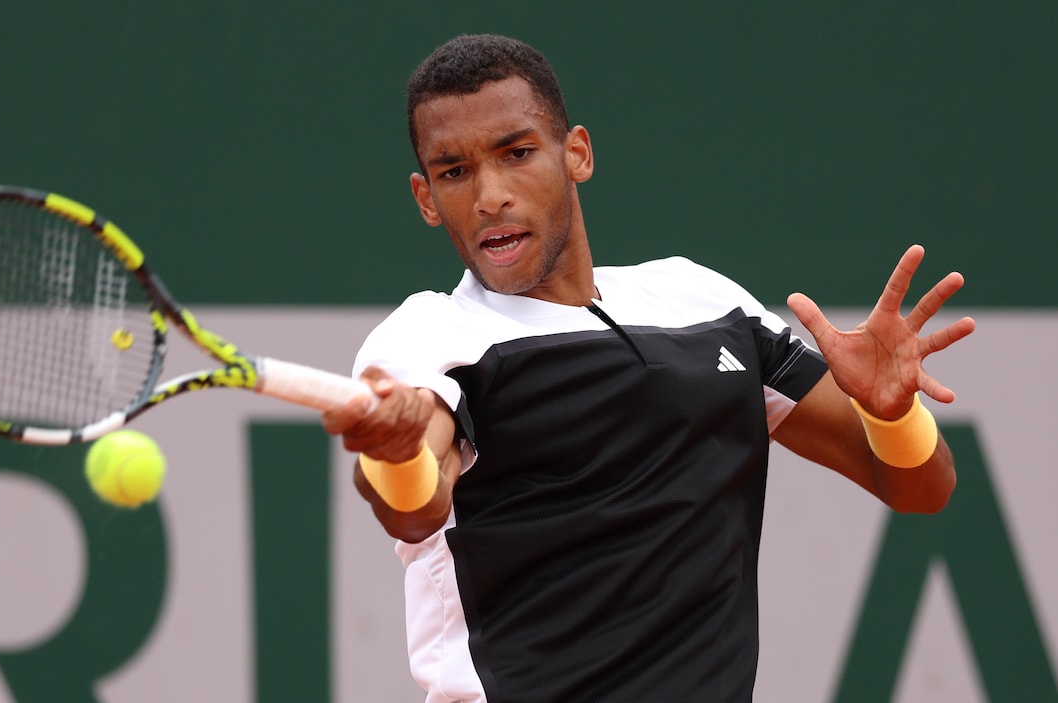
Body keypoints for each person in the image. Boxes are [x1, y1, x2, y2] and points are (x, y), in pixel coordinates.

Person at [321, 33, 976, 703]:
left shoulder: (704, 301)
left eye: (516, 154)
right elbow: (417, 505)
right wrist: (397, 455)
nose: (489, 195)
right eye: (453, 171)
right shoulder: (428, 338)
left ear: (575, 153)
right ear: (426, 198)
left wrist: (889, 411)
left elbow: (922, 487)